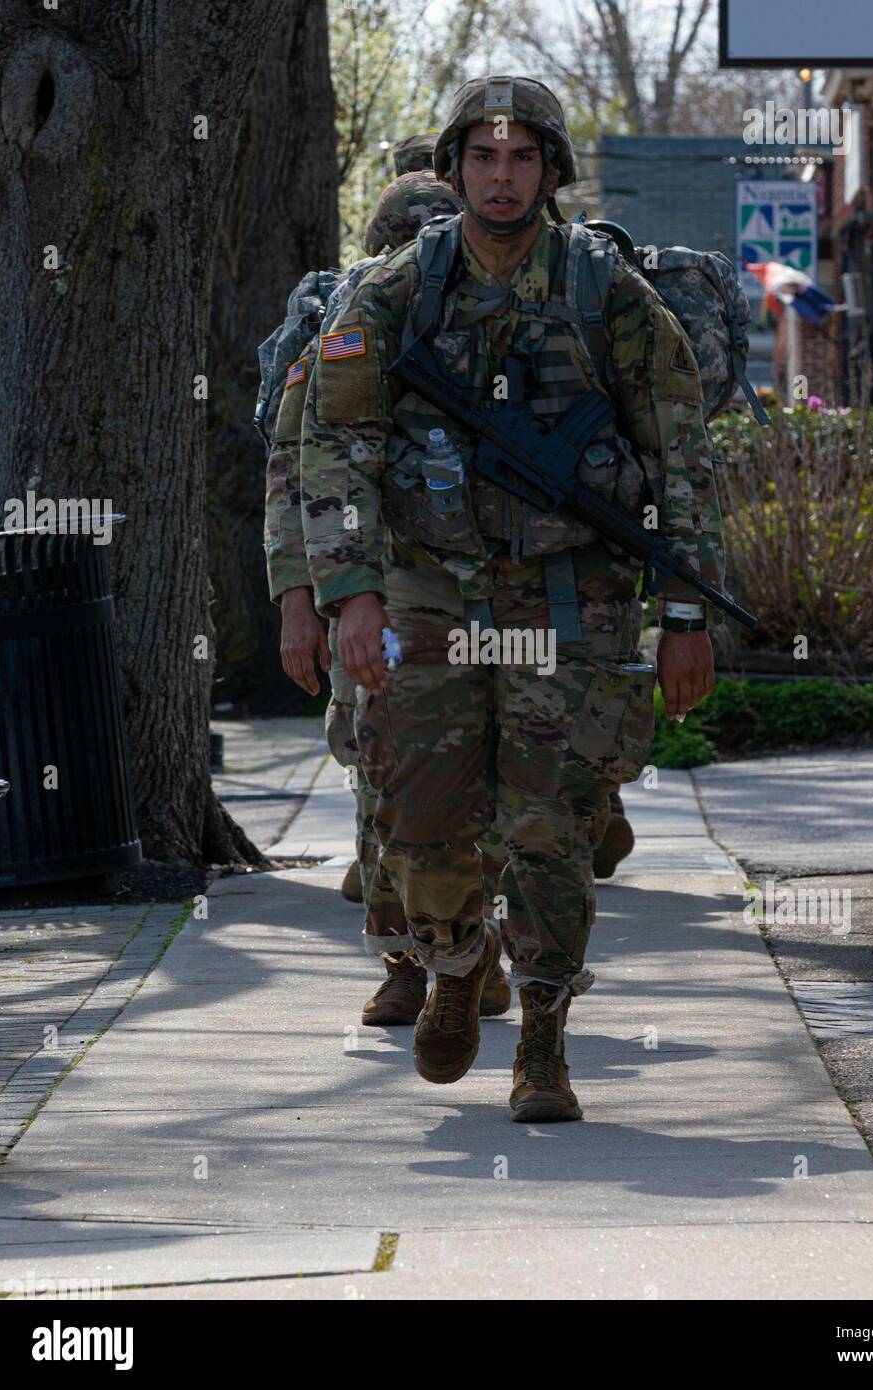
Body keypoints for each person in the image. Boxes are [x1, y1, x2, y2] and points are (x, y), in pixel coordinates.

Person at [299, 76, 726, 1122]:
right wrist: (349, 594)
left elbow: (679, 453)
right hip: (428, 596)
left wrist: (684, 613)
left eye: (520, 158)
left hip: (567, 599)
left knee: (552, 824)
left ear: (548, 169)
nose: (501, 177)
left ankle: (541, 1033)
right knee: (423, 821)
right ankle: (452, 965)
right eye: (482, 158)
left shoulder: (605, 293)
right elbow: (332, 446)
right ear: (454, 168)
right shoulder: (397, 292)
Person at [263, 168, 512, 1026]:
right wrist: (303, 602)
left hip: (493, 597)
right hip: (375, 595)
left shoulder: (500, 328)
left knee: (498, 788)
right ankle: (409, 960)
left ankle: (477, 946)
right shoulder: (347, 332)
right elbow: (296, 471)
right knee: (383, 775)